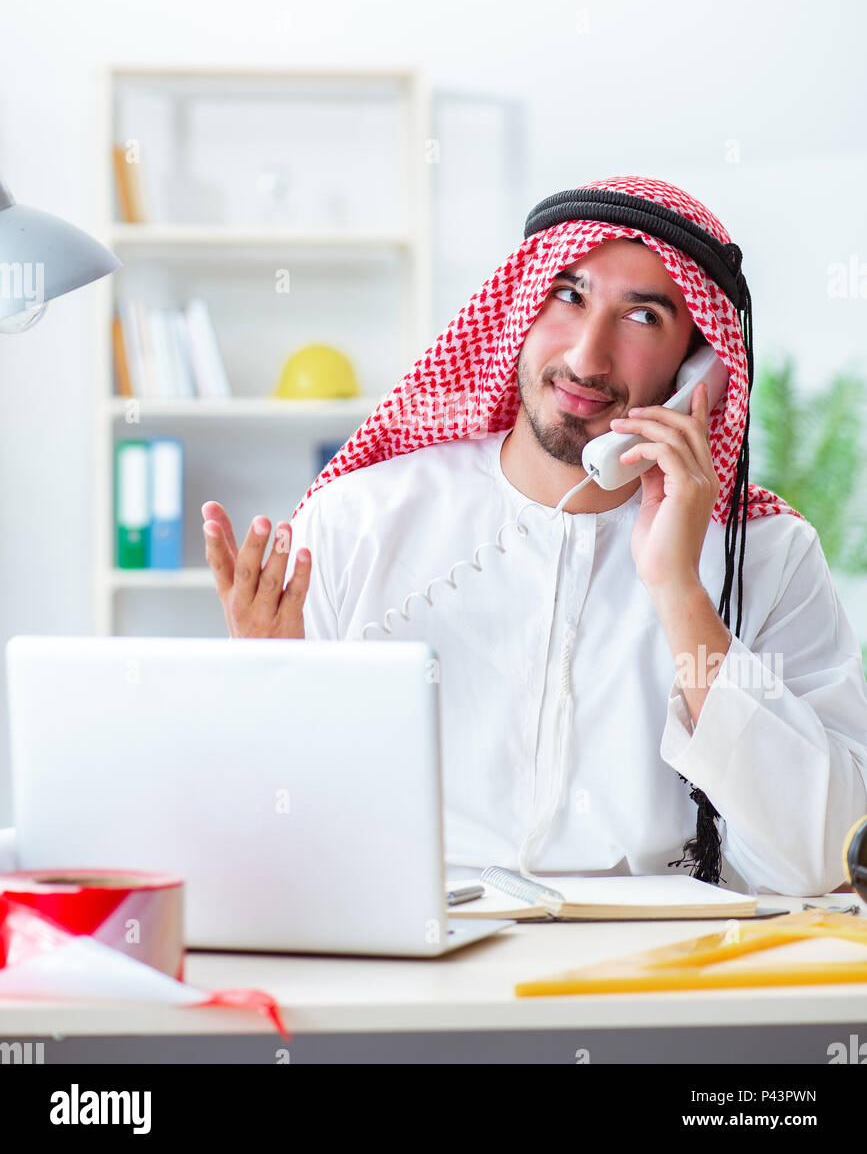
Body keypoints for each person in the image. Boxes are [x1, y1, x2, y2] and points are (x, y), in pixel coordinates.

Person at [202, 175, 867, 896]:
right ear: (521, 303)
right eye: (568, 296)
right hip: (413, 953)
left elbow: (821, 858)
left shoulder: (763, 555)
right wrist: (265, 693)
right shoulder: (355, 522)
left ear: (696, 367)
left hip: (660, 973)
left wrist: (679, 593)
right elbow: (261, 835)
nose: (586, 357)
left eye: (642, 316)